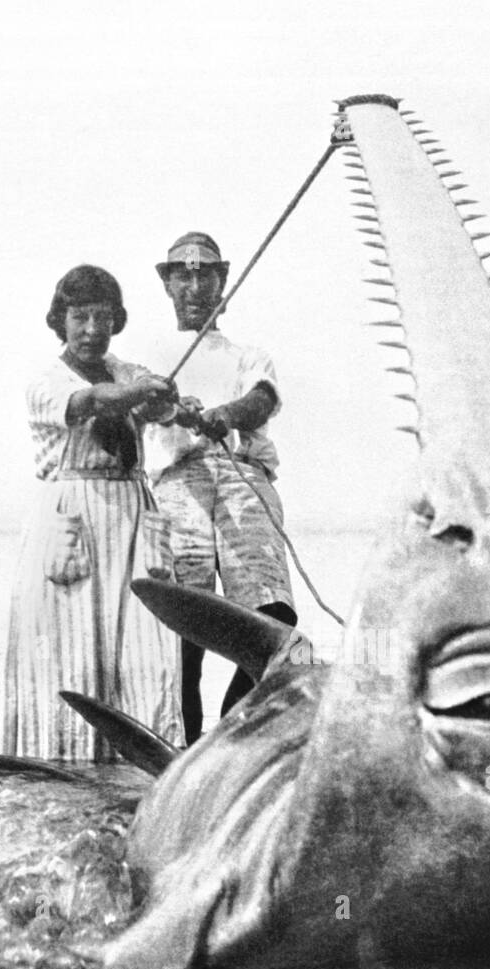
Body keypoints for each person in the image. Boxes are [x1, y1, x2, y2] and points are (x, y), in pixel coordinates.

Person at [3, 264, 182, 761]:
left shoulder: (129, 372)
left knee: (147, 659)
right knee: (70, 659)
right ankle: (64, 771)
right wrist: (144, 394)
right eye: (80, 317)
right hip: (69, 524)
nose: (92, 330)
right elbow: (93, 402)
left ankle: (140, 777)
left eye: (103, 318)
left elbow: (160, 404)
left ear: (115, 321)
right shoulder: (46, 381)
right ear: (60, 320)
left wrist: (167, 398)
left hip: (132, 520)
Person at [142, 231, 297, 745]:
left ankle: (231, 735)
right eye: (181, 274)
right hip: (176, 483)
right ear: (167, 285)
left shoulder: (250, 354)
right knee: (184, 623)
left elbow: (261, 400)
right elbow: (139, 406)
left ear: (222, 281)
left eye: (204, 273)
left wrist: (223, 415)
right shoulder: (150, 357)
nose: (193, 284)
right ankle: (184, 750)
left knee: (273, 618)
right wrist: (168, 407)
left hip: (242, 476)